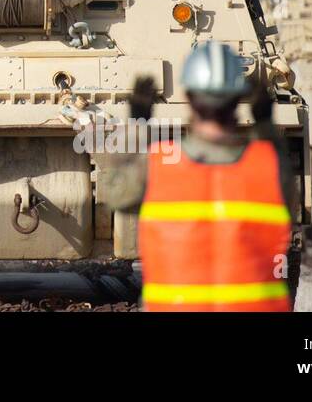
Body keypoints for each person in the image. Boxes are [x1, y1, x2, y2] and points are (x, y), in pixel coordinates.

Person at [101, 41, 296, 311]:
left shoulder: (157, 165)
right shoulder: (269, 168)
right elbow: (285, 196)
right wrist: (265, 125)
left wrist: (137, 124)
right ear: (238, 100)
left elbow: (115, 194)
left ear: (190, 98)